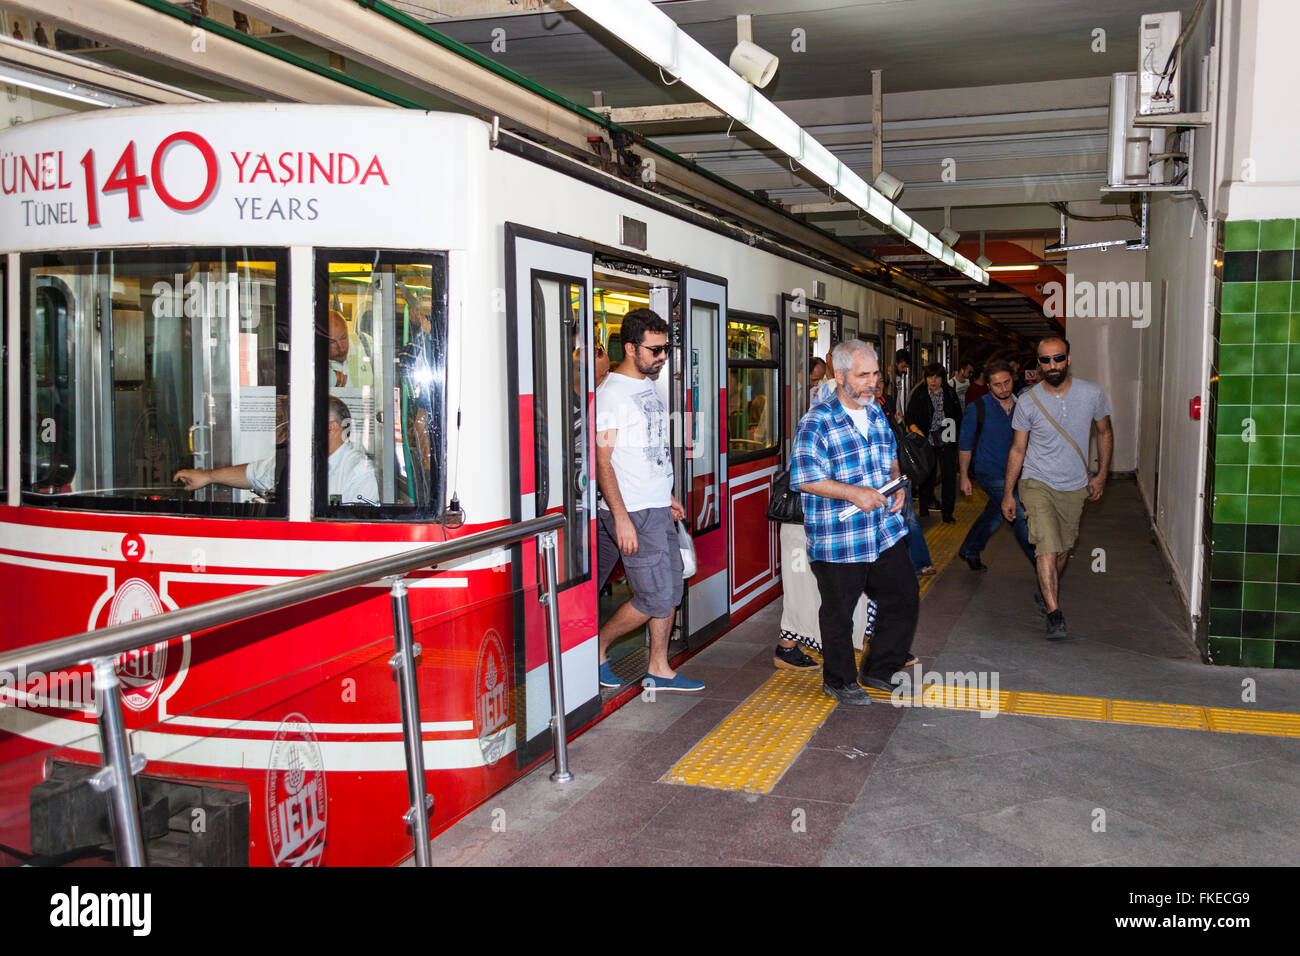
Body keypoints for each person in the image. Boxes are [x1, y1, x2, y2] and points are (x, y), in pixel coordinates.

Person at [791, 339, 918, 705]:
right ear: (841, 375)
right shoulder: (817, 421)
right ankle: (839, 679)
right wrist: (854, 493)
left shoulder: (877, 413)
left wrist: (897, 486)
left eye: (876, 374)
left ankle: (878, 669)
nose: (873, 382)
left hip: (882, 531)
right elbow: (804, 477)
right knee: (839, 612)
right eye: (864, 375)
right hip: (839, 537)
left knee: (903, 596)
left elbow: (890, 459)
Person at [594, 308, 702, 693]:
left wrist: (667, 494)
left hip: (655, 504)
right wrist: (620, 517)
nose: (661, 357)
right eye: (654, 350)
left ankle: (659, 666)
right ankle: (597, 648)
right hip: (633, 511)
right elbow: (602, 460)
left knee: (672, 588)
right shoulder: (610, 395)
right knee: (655, 596)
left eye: (664, 349)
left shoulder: (647, 386)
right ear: (629, 347)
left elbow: (647, 450)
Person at [1002, 337, 1113, 641]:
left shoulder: (1092, 393)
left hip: (1075, 485)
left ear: (1068, 359)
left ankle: (1045, 588)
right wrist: (1008, 492)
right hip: (1036, 482)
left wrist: (1102, 474)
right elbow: (1017, 449)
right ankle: (1054, 612)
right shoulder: (1027, 401)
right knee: (1047, 546)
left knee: (1063, 548)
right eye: (1046, 360)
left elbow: (1104, 432)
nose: (1052, 366)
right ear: (1038, 364)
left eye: (1058, 359)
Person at [174, 396, 378, 504]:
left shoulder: (359, 470)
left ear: (331, 428)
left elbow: (358, 528)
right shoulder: (299, 459)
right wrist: (208, 477)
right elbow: (252, 474)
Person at [956, 360, 1035, 571]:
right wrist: (964, 476)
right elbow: (965, 445)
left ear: (1013, 379)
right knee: (1017, 513)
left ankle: (970, 548)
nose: (1003, 388)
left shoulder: (1023, 407)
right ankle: (1043, 567)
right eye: (997, 384)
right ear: (989, 386)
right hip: (990, 473)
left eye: (1007, 382)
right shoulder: (977, 408)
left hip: (1018, 473)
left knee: (995, 513)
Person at [905, 363, 963, 523]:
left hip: (947, 440)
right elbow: (910, 417)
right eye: (930, 376)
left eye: (937, 377)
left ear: (942, 378)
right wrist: (918, 433)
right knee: (926, 476)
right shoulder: (920, 394)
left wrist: (955, 435)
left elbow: (958, 417)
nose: (933, 380)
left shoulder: (950, 394)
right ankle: (924, 507)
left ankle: (948, 513)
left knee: (949, 476)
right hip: (926, 441)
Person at [327, 309, 350, 386]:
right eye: (332, 342)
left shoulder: (366, 344)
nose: (341, 348)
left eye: (343, 338)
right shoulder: (311, 363)